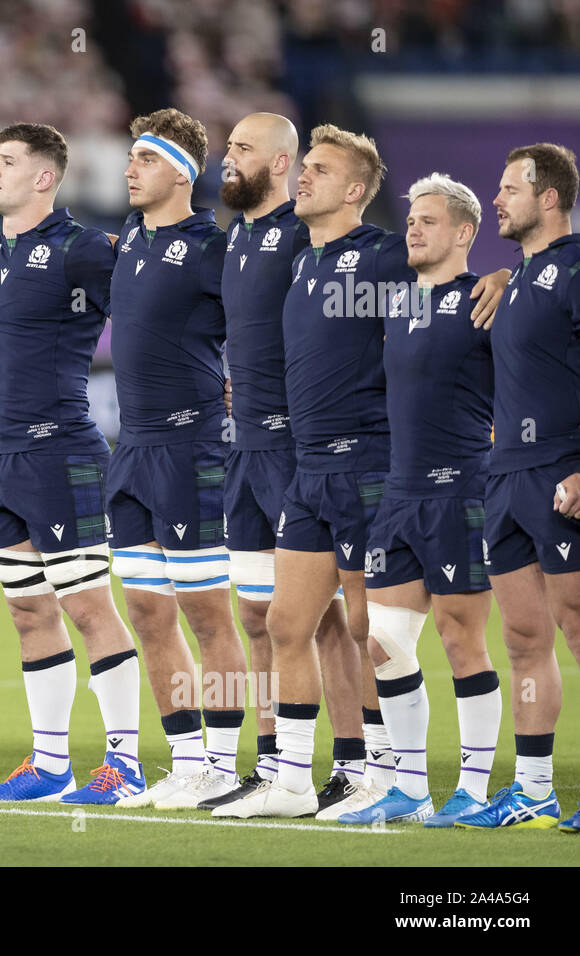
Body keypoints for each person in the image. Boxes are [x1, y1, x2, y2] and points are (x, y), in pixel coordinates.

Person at [217, 125, 505, 819]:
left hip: (370, 468)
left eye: (318, 170)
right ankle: (288, 778)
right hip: (307, 468)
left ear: (352, 190)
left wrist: (503, 276)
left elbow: (452, 280)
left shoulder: (379, 256)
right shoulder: (301, 261)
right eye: (303, 166)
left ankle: (383, 774)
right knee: (287, 623)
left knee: (366, 632)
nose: (303, 179)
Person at [0, 123, 143, 805]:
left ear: (45, 177)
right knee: (28, 613)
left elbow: (157, 301)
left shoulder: (82, 248)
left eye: (7, 161)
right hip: (3, 457)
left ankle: (124, 765)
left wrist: (211, 370)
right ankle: (49, 767)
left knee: (89, 608)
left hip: (63, 452)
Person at [332, 173, 501, 826]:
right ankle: (408, 787)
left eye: (429, 220)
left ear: (464, 232)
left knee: (463, 642)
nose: (414, 228)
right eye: (410, 220)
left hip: (461, 494)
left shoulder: (488, 301)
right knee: (383, 643)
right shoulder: (396, 303)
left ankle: (476, 790)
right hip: (397, 496)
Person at [210, 112, 364, 812]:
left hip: (298, 448)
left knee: (324, 620)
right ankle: (274, 763)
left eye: (241, 149)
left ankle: (359, 762)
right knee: (255, 617)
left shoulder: (306, 235)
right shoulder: (236, 237)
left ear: (280, 162)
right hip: (244, 447)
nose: (227, 160)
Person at [103, 109, 246, 809]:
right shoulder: (129, 238)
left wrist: (237, 384)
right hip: (131, 451)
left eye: (145, 160)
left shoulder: (211, 248)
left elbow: (258, 327)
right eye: (130, 158)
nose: (129, 169)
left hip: (191, 450)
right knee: (149, 615)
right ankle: (187, 763)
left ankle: (223, 763)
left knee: (207, 615)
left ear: (182, 173)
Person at [460, 143, 580, 831]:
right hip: (505, 476)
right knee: (525, 640)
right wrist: (511, 280)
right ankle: (534, 791)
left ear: (550, 198)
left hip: (562, 469)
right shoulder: (517, 277)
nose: (497, 200)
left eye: (510, 189)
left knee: (577, 628)